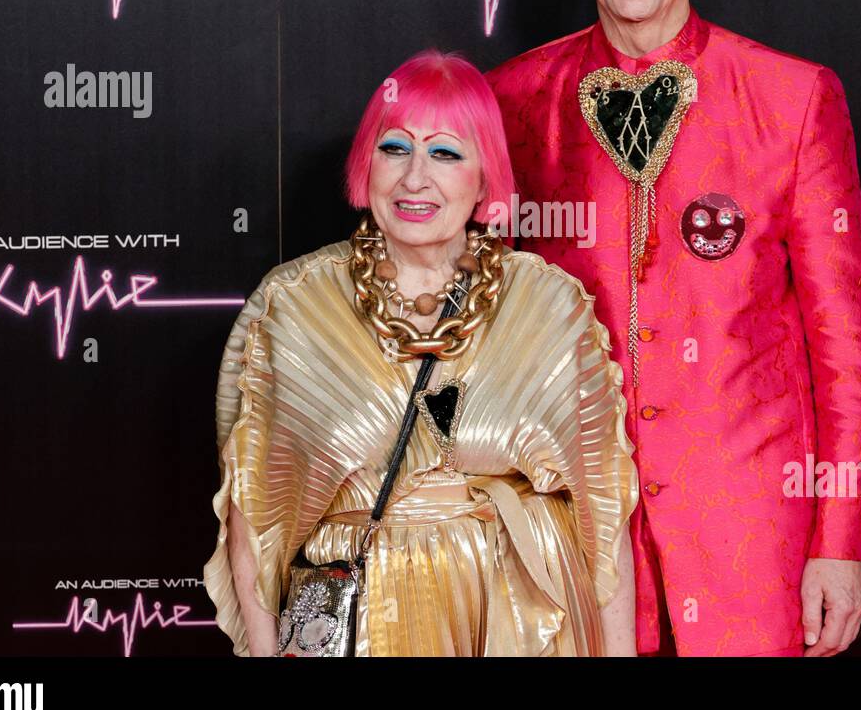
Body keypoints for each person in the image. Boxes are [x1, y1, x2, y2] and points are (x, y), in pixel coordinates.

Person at [485, 0, 861, 657]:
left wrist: (841, 542)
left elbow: (845, 348)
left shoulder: (794, 98)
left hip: (751, 536)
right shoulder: (511, 100)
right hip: (571, 536)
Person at [202, 50, 639, 656]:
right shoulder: (297, 305)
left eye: (445, 152)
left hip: (525, 624)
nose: (414, 177)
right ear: (366, 162)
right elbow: (254, 517)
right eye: (395, 147)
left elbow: (605, 513)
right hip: (366, 623)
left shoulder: (548, 303)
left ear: (485, 176)